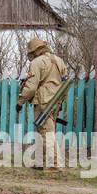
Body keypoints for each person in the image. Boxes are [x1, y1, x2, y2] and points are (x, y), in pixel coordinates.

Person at [17, 36, 67, 172]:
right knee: (42, 132)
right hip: (56, 101)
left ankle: (56, 164)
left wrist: (20, 102)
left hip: (43, 101)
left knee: (46, 133)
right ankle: (39, 162)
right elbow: (65, 83)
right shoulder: (59, 61)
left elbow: (31, 87)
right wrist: (61, 101)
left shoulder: (37, 63)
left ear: (34, 51)